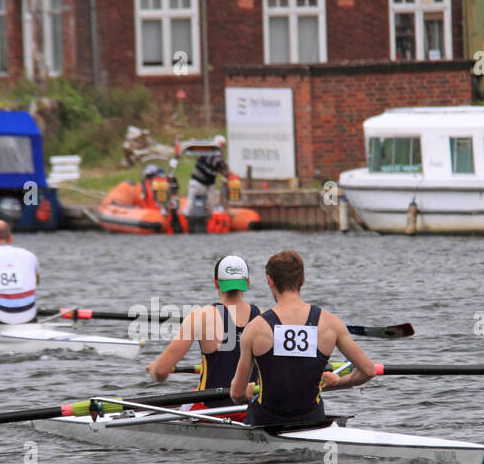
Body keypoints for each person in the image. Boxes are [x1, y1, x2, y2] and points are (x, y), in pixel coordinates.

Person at [231, 250, 376, 428]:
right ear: (303, 280)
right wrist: (338, 382)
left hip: (265, 422)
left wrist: (246, 394)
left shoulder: (255, 328)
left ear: (270, 281)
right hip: (313, 420)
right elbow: (368, 371)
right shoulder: (331, 323)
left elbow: (237, 394)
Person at [146, 255, 261, 408]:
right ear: (247, 282)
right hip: (250, 411)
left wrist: (155, 370)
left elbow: (161, 372)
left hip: (209, 412)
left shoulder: (200, 316)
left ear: (216, 283)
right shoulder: (263, 318)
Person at [185, 135, 228, 229]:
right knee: (192, 201)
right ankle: (187, 219)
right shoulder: (209, 153)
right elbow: (224, 170)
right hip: (199, 182)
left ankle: (208, 221)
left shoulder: (218, 157)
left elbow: (224, 170)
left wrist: (226, 175)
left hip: (207, 184)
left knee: (208, 203)